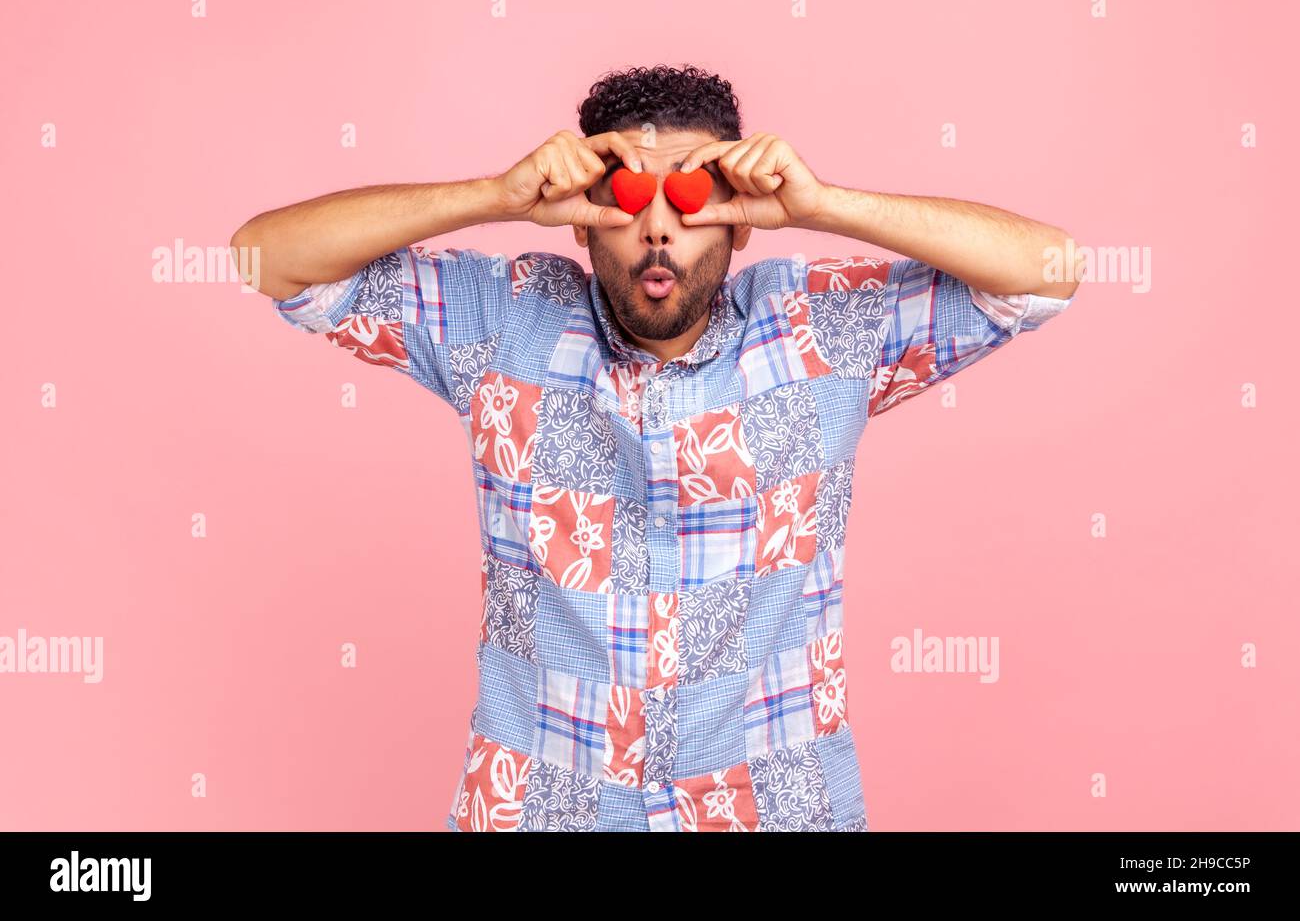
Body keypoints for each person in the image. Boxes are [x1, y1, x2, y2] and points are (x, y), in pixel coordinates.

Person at [230, 63, 1081, 832]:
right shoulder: (500, 321)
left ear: (742, 224)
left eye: (695, 203)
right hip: (541, 808)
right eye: (635, 202)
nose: (661, 233)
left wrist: (824, 205)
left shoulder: (826, 333)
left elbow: (1050, 269)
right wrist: (494, 194)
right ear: (581, 222)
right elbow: (267, 258)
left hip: (776, 809)